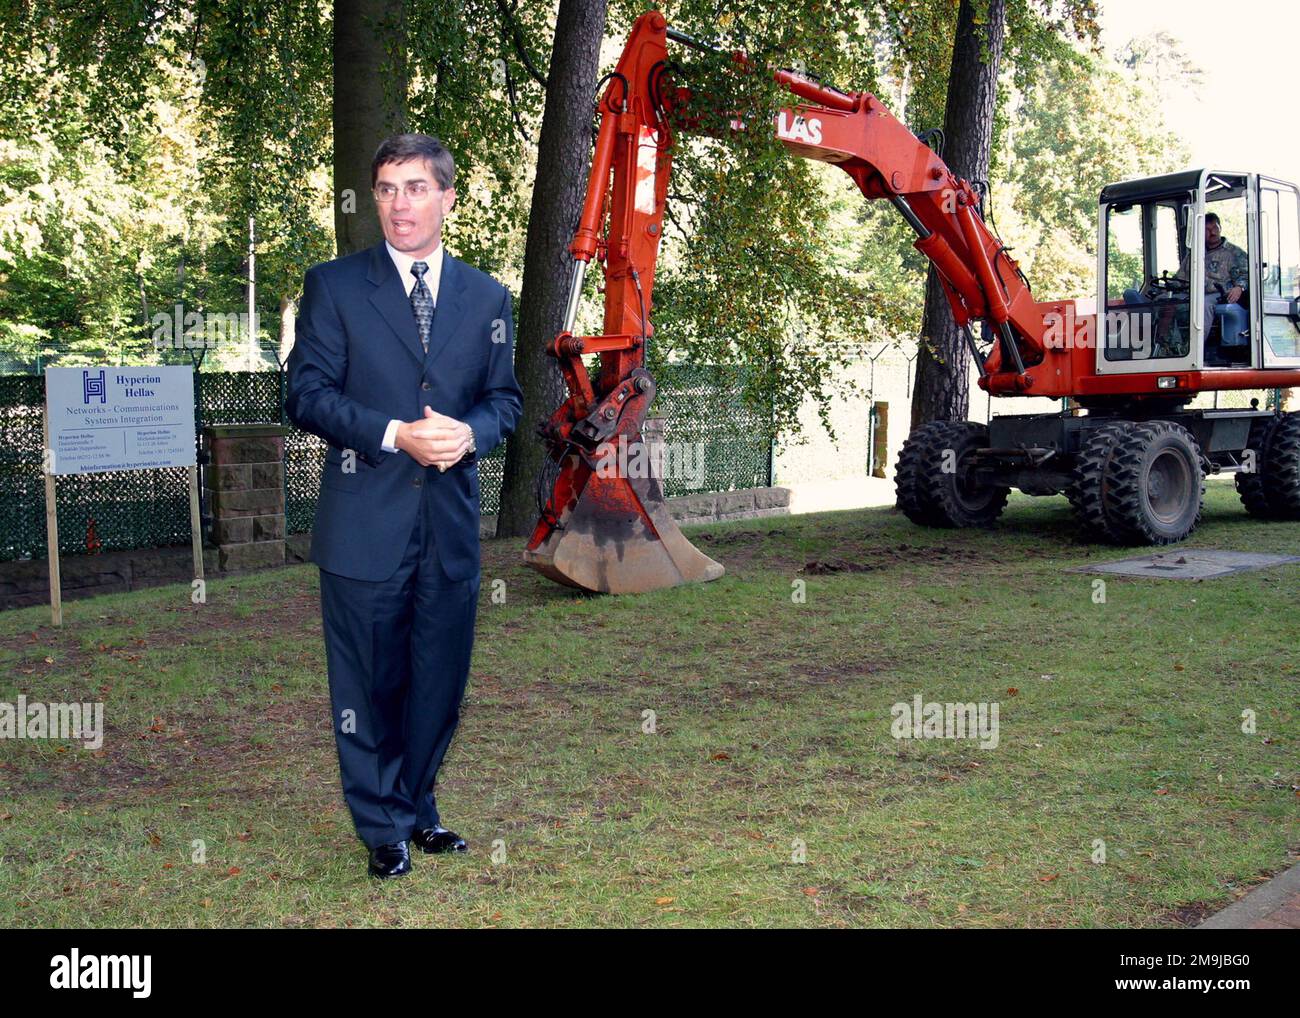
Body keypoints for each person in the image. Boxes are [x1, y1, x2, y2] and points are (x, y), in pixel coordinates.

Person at [285, 133, 523, 879]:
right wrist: (394, 433)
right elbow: (305, 395)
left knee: (438, 681)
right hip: (364, 526)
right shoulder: (336, 286)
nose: (399, 203)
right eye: (387, 189)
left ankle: (419, 807)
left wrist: (470, 433)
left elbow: (505, 401)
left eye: (415, 188)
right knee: (367, 685)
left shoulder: (487, 297)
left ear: (448, 198)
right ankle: (381, 825)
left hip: (448, 528)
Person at [1152, 211, 1248, 356]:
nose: (1212, 232)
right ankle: (1165, 348)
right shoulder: (1195, 254)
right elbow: (1181, 278)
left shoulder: (1233, 253)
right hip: (1192, 293)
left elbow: (1246, 274)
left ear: (1220, 228)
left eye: (1215, 228)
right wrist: (1165, 289)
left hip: (1218, 294)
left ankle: (1193, 352)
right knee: (1164, 302)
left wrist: (1239, 287)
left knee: (1202, 305)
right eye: (1208, 230)